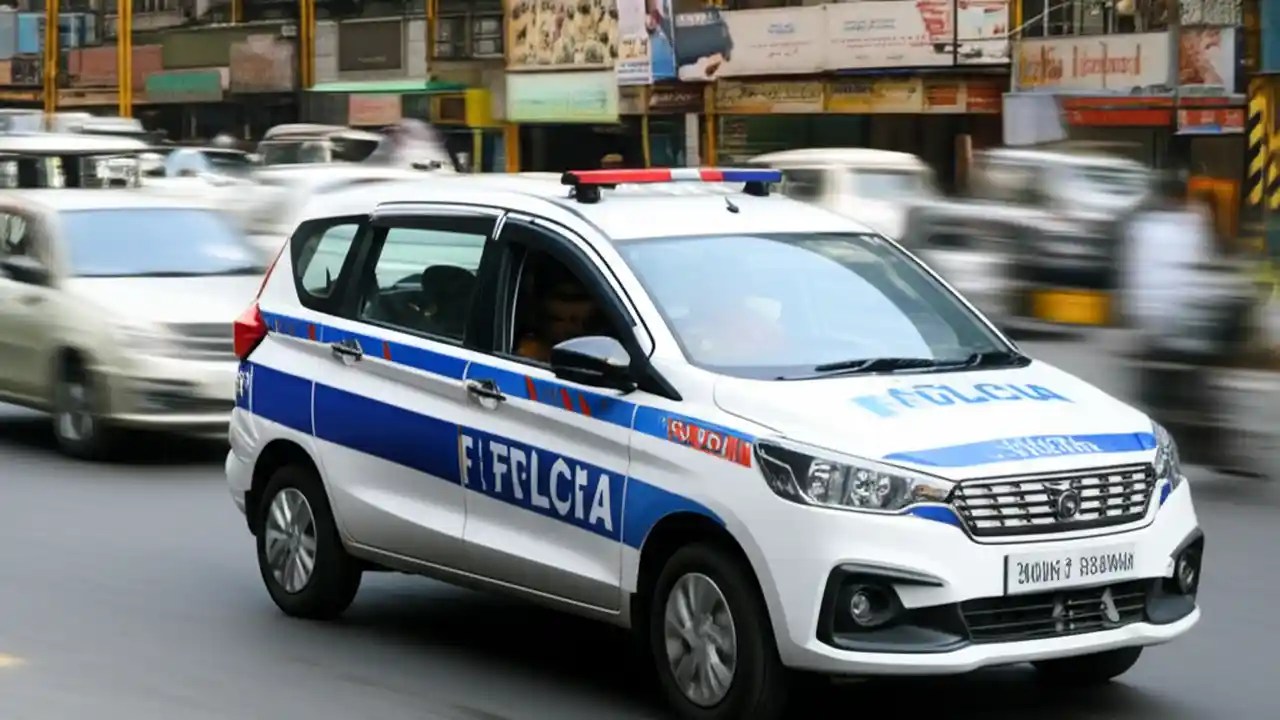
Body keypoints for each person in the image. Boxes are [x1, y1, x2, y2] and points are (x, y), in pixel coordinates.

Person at [515, 264, 603, 363]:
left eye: (581, 320)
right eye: (560, 320)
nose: (572, 328)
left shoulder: (601, 346)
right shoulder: (530, 353)